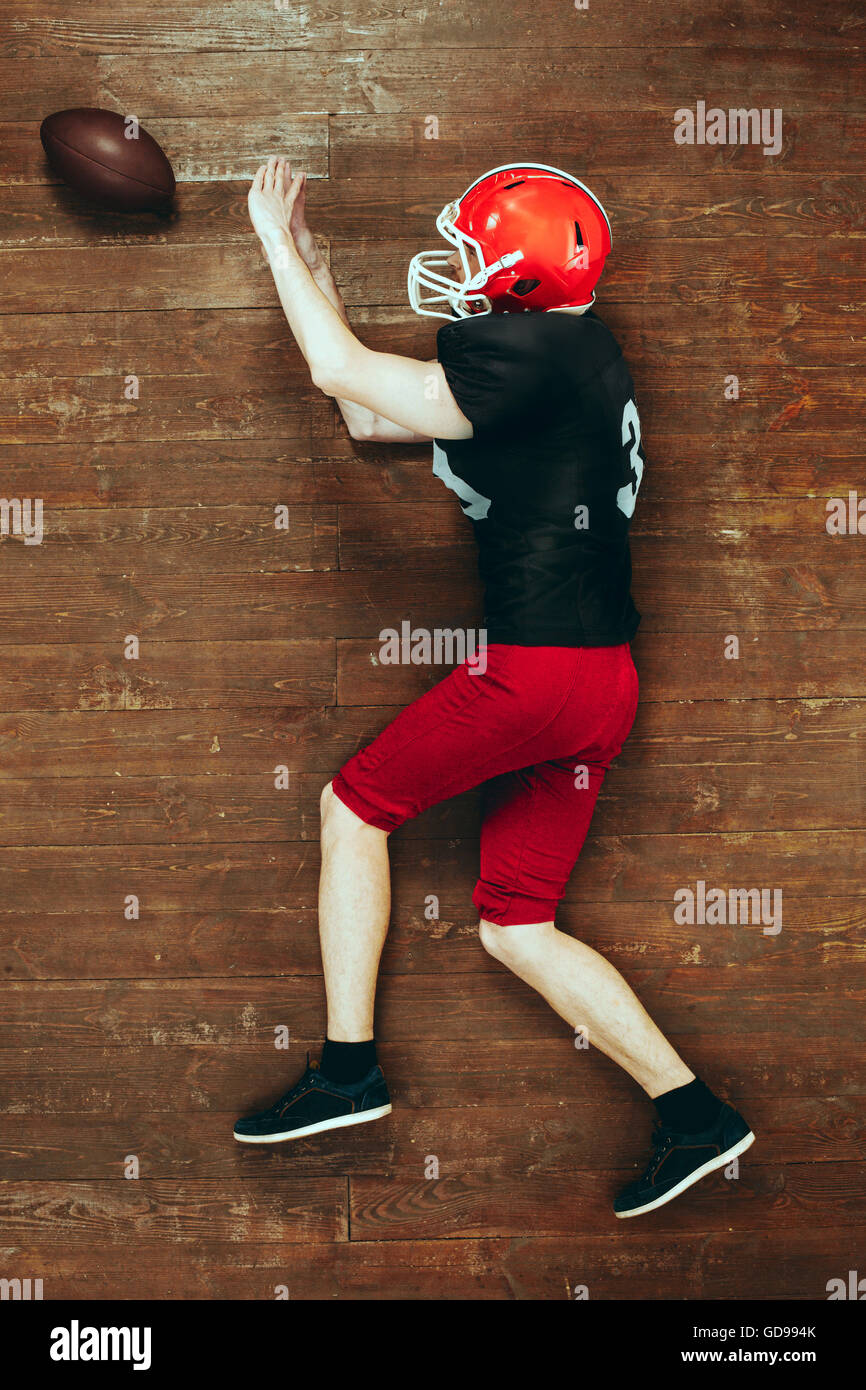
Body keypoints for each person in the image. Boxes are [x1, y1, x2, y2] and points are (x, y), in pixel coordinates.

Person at [235, 157, 754, 1217]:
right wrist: (322, 276)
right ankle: (693, 1112)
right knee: (515, 923)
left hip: (536, 673)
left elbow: (340, 376)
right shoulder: (573, 352)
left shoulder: (517, 349)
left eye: (475, 250)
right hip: (601, 682)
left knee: (351, 807)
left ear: (516, 275)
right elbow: (375, 416)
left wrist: (275, 247)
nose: (459, 268)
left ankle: (346, 1069)